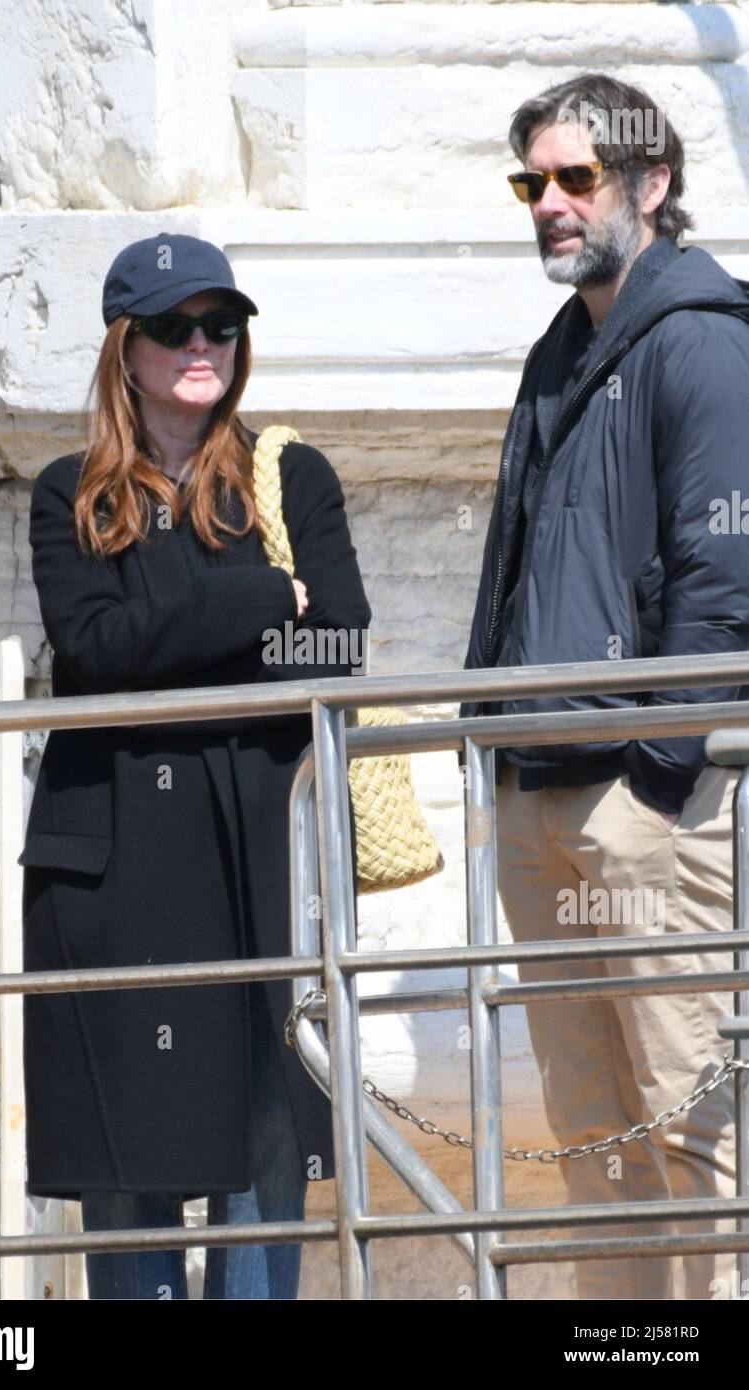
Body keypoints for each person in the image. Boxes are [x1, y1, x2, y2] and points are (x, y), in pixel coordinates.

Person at [18, 232, 371, 1299]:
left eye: (220, 322)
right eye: (172, 326)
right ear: (125, 349)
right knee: (128, 1165)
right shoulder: (64, 493)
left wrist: (188, 630)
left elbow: (338, 641)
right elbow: (98, 652)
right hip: (116, 867)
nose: (199, 343)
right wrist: (267, 598)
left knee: (268, 1149)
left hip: (261, 853)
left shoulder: (289, 476)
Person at [462, 73, 749, 1300]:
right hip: (539, 795)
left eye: (575, 178)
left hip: (645, 810)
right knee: (590, 1144)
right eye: (532, 182)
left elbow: (724, 577)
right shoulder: (558, 350)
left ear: (650, 183)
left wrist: (658, 779)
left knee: (688, 1135)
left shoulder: (702, 339)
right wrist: (489, 742)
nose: (548, 204)